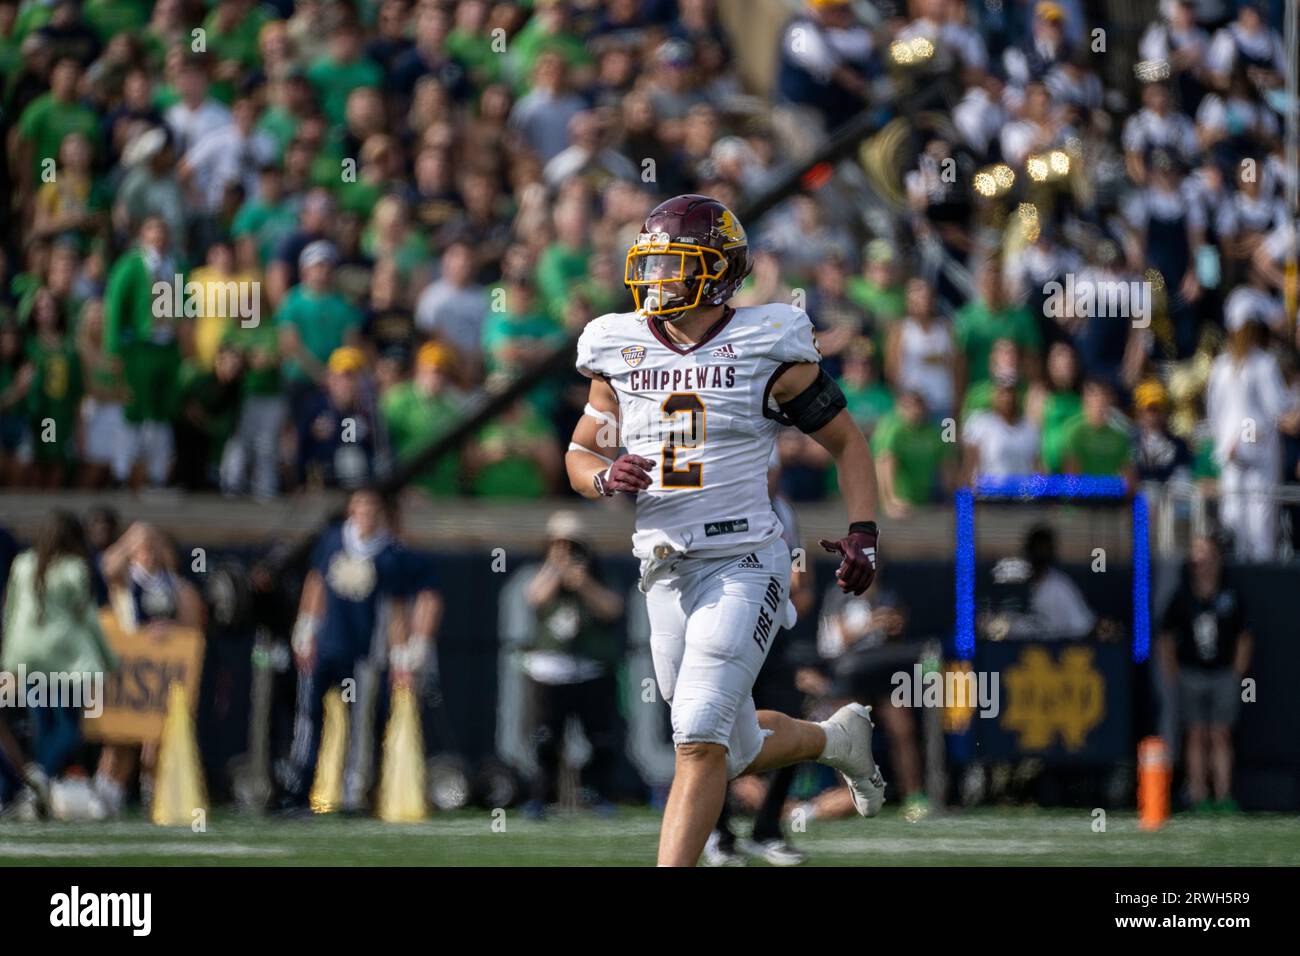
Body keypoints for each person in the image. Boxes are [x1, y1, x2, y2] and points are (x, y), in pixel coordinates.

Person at [567, 194, 885, 867]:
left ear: (717, 272)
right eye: (649, 264)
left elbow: (849, 445)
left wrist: (863, 532)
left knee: (700, 737)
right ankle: (836, 741)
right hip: (663, 568)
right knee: (725, 742)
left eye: (673, 265)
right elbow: (579, 451)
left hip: (744, 557)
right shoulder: (615, 344)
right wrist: (601, 476)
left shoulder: (768, 341)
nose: (655, 280)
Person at [277, 486, 440, 814]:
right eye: (359, 506)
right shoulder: (334, 540)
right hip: (326, 645)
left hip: (363, 653)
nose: (364, 513)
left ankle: (353, 792)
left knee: (359, 724)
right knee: (309, 718)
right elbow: (317, 582)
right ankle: (299, 787)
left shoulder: (391, 554)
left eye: (370, 506)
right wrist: (305, 627)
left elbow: (396, 608)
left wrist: (401, 652)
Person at [0, 511, 116, 819]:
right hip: (64, 661)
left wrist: (8, 661)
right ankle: (37, 781)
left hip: (27, 657)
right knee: (68, 731)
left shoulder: (22, 564)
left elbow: (10, 614)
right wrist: (110, 660)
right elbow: (89, 618)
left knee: (45, 728)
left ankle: (35, 794)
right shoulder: (75, 568)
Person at [520, 511, 624, 814]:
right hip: (549, 670)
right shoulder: (541, 573)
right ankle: (542, 797)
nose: (566, 552)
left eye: (572, 545)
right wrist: (556, 568)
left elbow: (612, 609)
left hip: (590, 668)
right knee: (545, 738)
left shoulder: (599, 575)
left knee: (599, 738)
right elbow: (534, 598)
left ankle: (599, 795)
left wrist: (584, 583)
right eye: (559, 545)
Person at [1158, 535, 1252, 812]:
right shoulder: (1183, 595)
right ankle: (1199, 796)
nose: (1201, 563)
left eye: (1206, 556)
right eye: (1197, 557)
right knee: (1196, 733)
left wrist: (1237, 672)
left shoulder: (1230, 594)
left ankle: (1223, 795)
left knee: (1220, 734)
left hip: (1222, 673)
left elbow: (1245, 635)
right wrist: (1173, 670)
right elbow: (1165, 635)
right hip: (1191, 673)